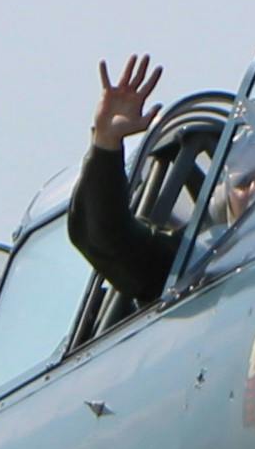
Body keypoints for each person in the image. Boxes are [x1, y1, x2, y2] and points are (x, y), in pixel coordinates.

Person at [71, 53, 178, 309]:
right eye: (243, 182)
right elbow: (107, 237)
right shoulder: (195, 257)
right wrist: (106, 142)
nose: (253, 189)